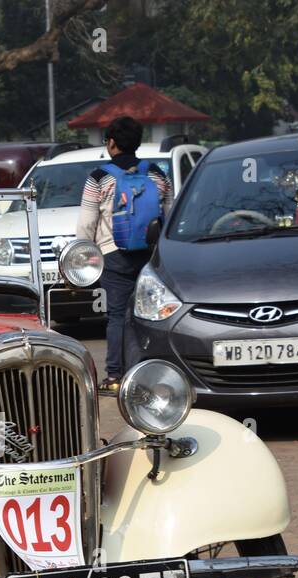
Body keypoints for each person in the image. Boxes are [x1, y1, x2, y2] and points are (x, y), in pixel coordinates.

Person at [75, 115, 170, 394]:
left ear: (111, 143)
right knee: (148, 315)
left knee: (117, 316)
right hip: (151, 256)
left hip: (113, 254)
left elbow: (86, 225)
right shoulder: (157, 174)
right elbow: (170, 215)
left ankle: (116, 377)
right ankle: (149, 374)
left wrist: (83, 261)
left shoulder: (98, 178)